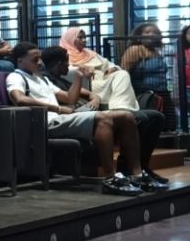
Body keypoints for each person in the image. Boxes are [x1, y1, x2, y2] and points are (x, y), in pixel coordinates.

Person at [5, 43, 144, 196]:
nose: (39, 62)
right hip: (44, 123)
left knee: (126, 116)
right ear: (19, 60)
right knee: (103, 119)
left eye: (40, 59)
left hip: (60, 119)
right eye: (35, 59)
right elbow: (20, 99)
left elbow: (70, 98)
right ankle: (110, 178)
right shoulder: (15, 76)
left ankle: (136, 175)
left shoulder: (41, 79)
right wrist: (57, 108)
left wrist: (78, 77)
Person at [40, 46, 168, 190]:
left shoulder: (62, 79)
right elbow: (69, 99)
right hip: (75, 115)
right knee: (140, 118)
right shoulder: (46, 80)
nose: (69, 65)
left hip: (91, 110)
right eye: (67, 62)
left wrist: (94, 98)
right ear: (59, 63)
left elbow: (88, 94)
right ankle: (126, 169)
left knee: (156, 117)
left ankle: (142, 168)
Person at [60, 26, 138, 110]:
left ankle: (120, 107)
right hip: (86, 85)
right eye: (80, 37)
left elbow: (110, 64)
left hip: (104, 79)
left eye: (85, 37)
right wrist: (80, 68)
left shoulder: (89, 53)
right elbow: (63, 72)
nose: (84, 40)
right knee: (116, 84)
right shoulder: (63, 54)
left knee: (123, 74)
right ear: (70, 39)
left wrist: (113, 68)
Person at [120, 23, 172, 113]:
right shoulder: (135, 49)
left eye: (155, 32)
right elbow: (124, 72)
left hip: (163, 93)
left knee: (169, 124)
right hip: (145, 95)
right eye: (147, 32)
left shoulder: (157, 52)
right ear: (139, 35)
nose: (151, 34)